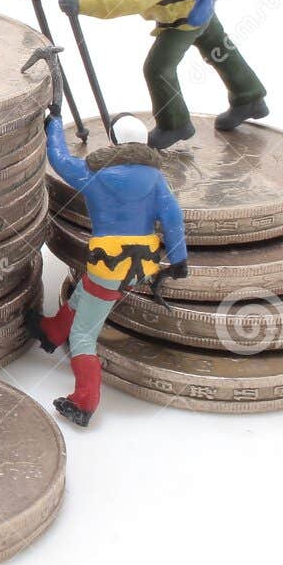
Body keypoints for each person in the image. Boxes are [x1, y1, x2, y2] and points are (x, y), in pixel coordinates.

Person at [33, 0, 268, 149]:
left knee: (158, 68)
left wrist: (81, 4)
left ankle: (174, 124)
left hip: (184, 19)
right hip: (199, 6)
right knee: (220, 49)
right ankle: (250, 97)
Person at [27, 114, 188, 427]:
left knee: (84, 335)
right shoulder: (155, 178)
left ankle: (85, 401)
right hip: (141, 263)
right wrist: (179, 259)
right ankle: (51, 332)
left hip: (108, 262)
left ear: (114, 140)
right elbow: (172, 216)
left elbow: (58, 159)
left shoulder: (95, 172)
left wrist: (55, 125)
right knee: (87, 291)